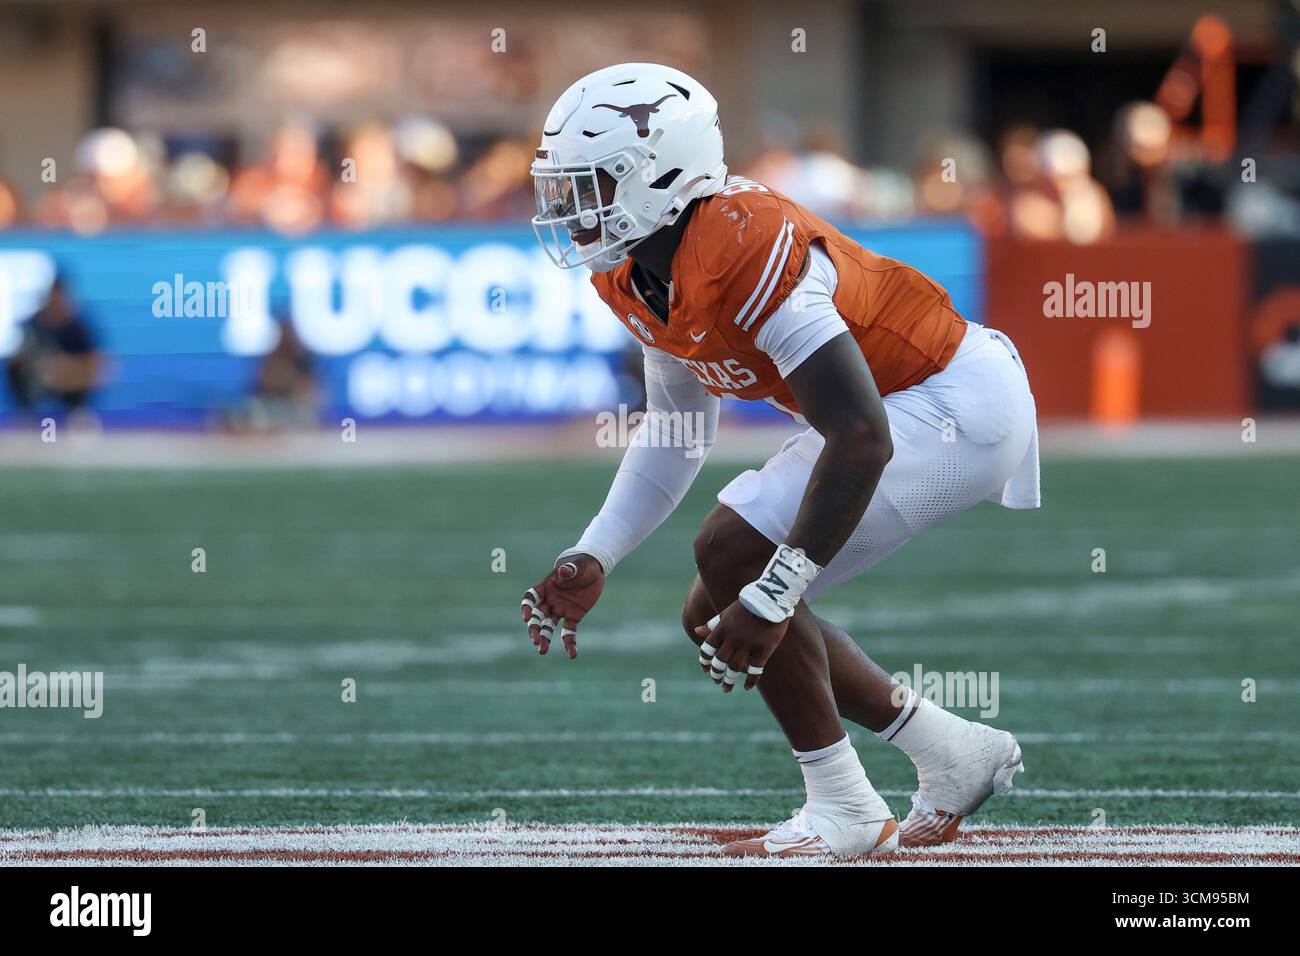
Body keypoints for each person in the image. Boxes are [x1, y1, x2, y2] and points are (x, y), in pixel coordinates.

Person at [520, 63, 1039, 858]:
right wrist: (597, 550)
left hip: (952, 402)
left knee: (736, 557)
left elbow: (861, 433)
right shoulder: (632, 274)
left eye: (588, 184)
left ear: (660, 175)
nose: (568, 207)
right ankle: (952, 750)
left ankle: (845, 808)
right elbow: (677, 430)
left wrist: (778, 588)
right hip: (901, 411)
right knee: (715, 611)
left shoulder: (744, 241)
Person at [5, 275, 102, 418]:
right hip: (37, 384)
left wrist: (65, 368)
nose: (56, 300)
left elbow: (98, 363)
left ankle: (77, 413)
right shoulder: (33, 325)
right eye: (53, 295)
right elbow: (16, 358)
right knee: (15, 370)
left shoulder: (78, 327)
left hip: (70, 385)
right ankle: (26, 415)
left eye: (60, 295)